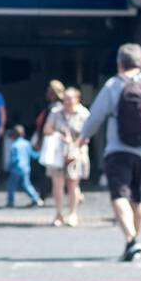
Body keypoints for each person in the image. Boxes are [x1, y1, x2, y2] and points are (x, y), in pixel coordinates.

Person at [77, 43, 141, 262]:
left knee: (119, 195)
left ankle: (131, 240)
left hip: (117, 149)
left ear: (120, 63)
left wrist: (83, 138)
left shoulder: (113, 85)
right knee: (138, 198)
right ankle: (133, 242)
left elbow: (95, 116)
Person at [43, 86, 91, 227]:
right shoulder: (56, 112)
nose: (67, 101)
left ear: (77, 99)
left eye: (70, 98)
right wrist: (58, 135)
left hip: (75, 152)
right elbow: (47, 129)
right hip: (58, 152)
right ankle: (58, 213)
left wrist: (74, 143)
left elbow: (87, 135)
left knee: (73, 183)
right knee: (57, 184)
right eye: (65, 98)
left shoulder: (83, 114)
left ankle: (73, 213)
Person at [30, 80, 65, 196]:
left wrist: (40, 139)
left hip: (52, 142)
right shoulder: (52, 107)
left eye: (49, 91)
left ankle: (45, 193)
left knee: (49, 168)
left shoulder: (57, 109)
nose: (47, 94)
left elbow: (47, 127)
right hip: (47, 140)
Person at [5, 124, 41, 207]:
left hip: (16, 169)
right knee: (27, 185)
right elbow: (32, 154)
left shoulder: (14, 145)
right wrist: (40, 155)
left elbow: (14, 159)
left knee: (11, 186)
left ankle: (10, 201)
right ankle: (35, 198)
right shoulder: (27, 143)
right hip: (26, 168)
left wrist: (8, 168)